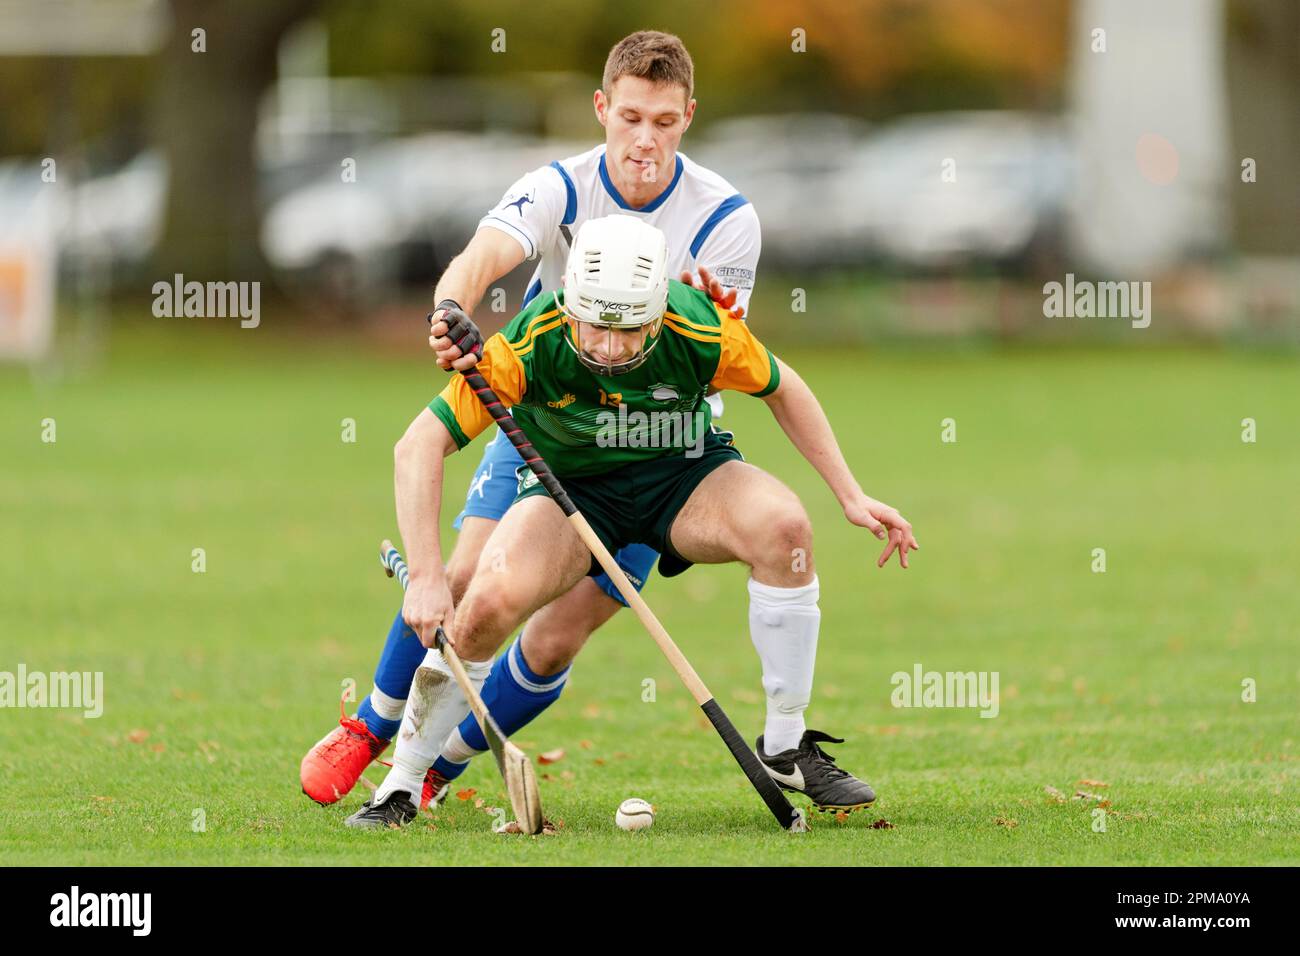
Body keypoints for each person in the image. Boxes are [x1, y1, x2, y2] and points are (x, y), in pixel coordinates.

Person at [301, 30, 766, 808]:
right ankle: (372, 726)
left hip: (654, 447)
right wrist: (451, 310)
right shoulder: (558, 188)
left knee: (553, 639)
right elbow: (481, 258)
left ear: (688, 117)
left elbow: (716, 348)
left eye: (663, 121)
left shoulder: (725, 215)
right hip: (544, 422)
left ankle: (439, 769)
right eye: (630, 118)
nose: (644, 140)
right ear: (602, 108)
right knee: (463, 581)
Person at [345, 215, 918, 828]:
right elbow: (418, 445)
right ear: (571, 308)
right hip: (572, 493)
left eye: (630, 330)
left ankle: (785, 745)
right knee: (487, 601)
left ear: (657, 312)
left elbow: (785, 388)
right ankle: (402, 785)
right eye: (596, 327)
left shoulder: (699, 325)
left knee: (785, 528)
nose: (612, 349)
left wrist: (850, 495)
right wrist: (427, 576)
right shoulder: (530, 343)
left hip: (684, 478)